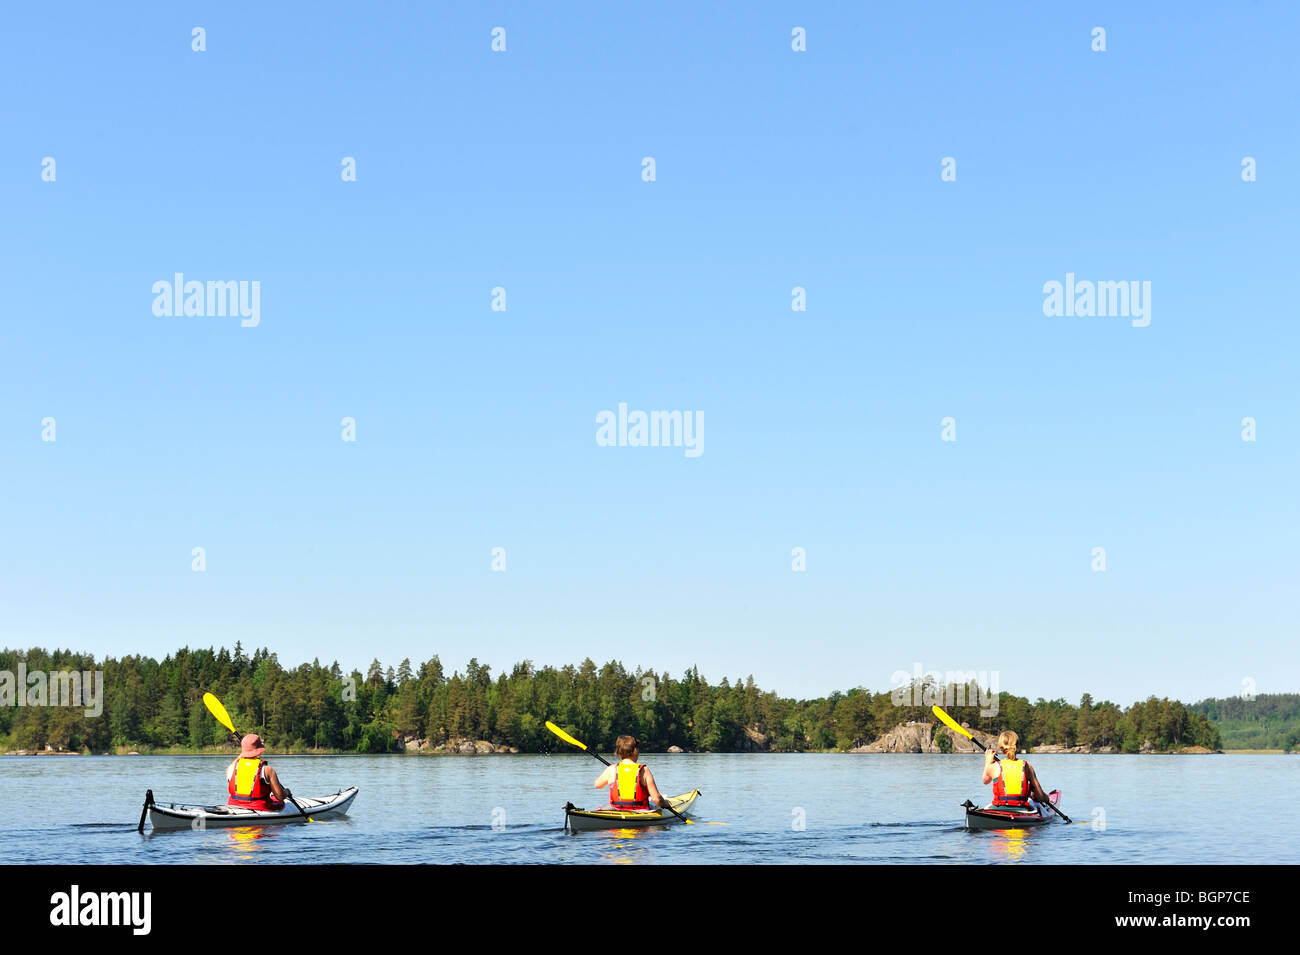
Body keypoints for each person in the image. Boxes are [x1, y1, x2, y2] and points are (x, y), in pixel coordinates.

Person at [594, 735, 670, 811]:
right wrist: (666, 804)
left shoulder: (611, 769)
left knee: (601, 808)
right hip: (641, 811)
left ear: (618, 752)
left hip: (617, 809)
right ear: (635, 751)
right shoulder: (644, 770)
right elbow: (656, 799)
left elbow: (597, 785)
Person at [982, 730, 1048, 810]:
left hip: (999, 809)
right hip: (1022, 810)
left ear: (1001, 748)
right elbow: (1040, 797)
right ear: (1018, 746)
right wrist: (1047, 798)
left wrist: (988, 761)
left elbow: (985, 781)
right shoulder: (1027, 767)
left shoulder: (994, 767)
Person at [226, 733, 287, 811]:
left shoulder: (232, 767)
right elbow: (280, 796)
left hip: (233, 804)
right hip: (259, 807)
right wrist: (286, 792)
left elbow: (232, 768)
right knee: (279, 801)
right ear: (260, 751)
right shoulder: (267, 769)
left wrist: (243, 754)